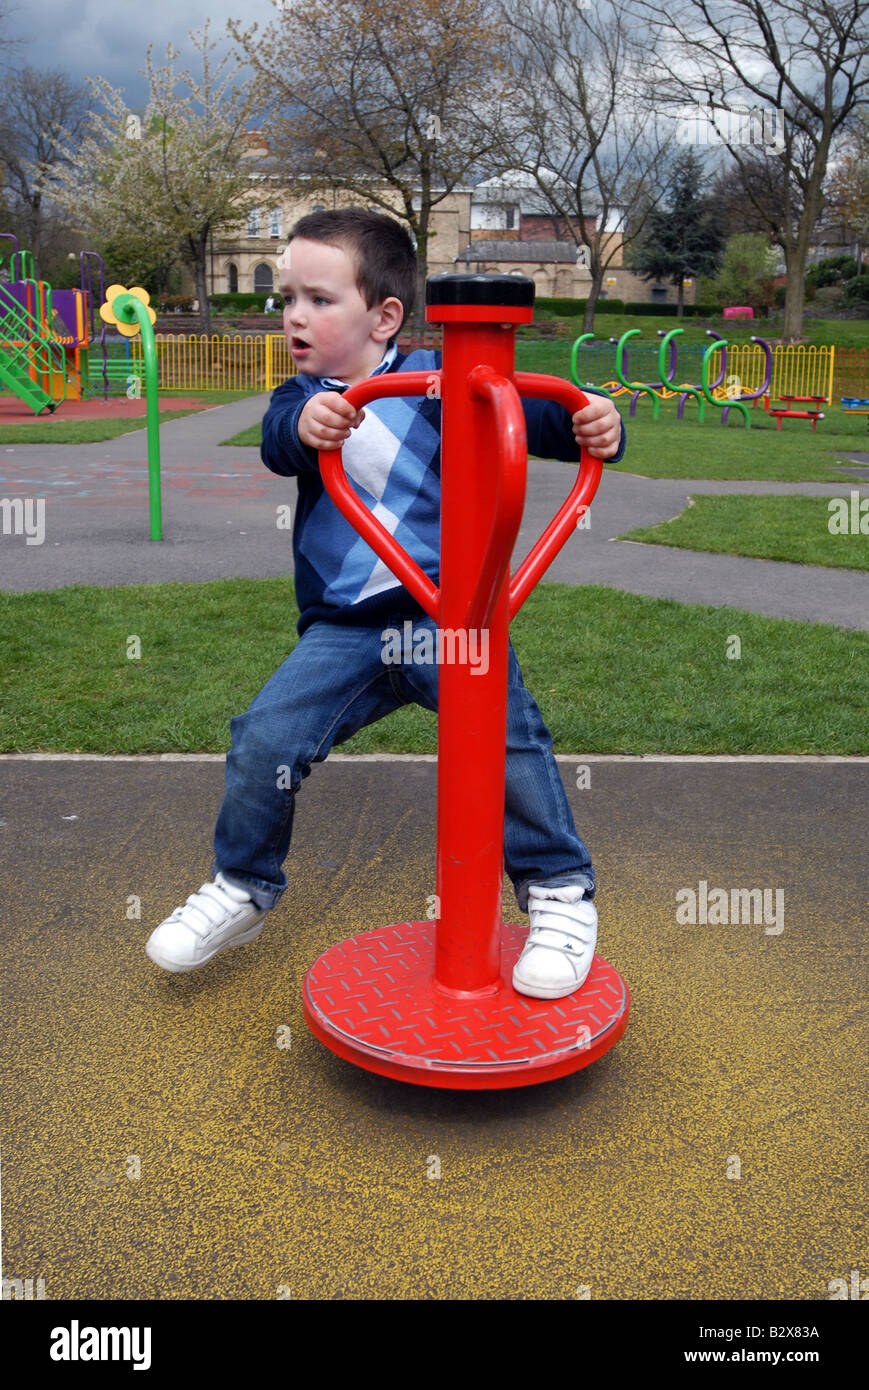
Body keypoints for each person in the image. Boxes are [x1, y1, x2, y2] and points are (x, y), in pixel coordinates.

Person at [146, 209, 626, 1000]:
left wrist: (596, 417)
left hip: (449, 621)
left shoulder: (449, 381)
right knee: (263, 736)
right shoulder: (301, 397)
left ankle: (558, 892)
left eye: (318, 299)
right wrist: (305, 421)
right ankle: (242, 886)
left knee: (510, 739)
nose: (293, 315)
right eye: (287, 297)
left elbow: (546, 416)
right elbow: (278, 440)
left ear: (384, 316)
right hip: (348, 629)